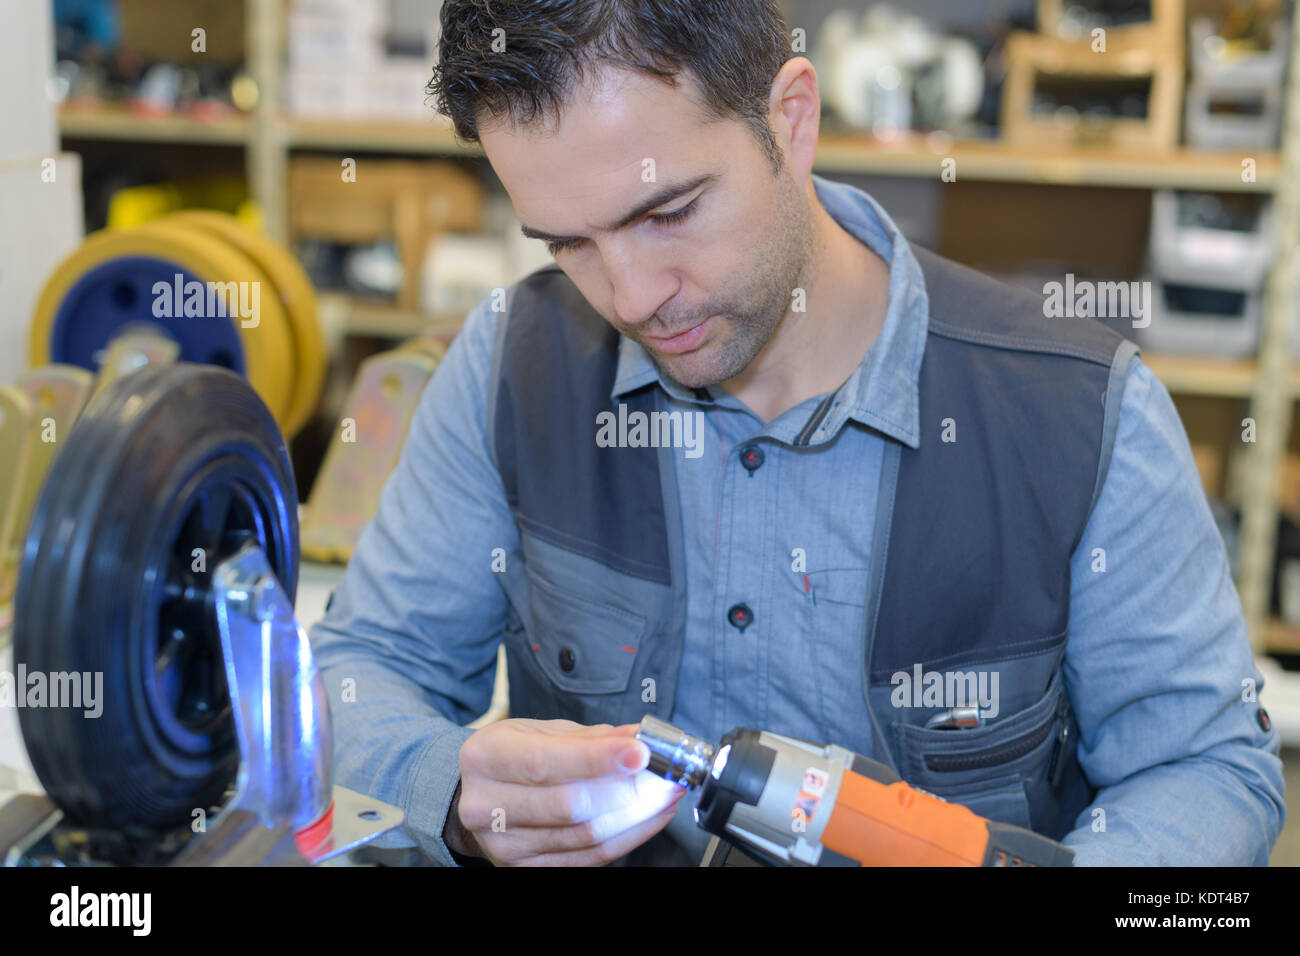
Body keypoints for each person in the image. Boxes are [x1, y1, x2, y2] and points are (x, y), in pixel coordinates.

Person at [310, 0, 1285, 866]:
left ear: (790, 118)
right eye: (567, 242)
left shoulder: (1080, 413)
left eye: (667, 211)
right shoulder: (503, 366)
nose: (632, 297)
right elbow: (360, 671)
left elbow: (1206, 766)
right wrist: (448, 785)